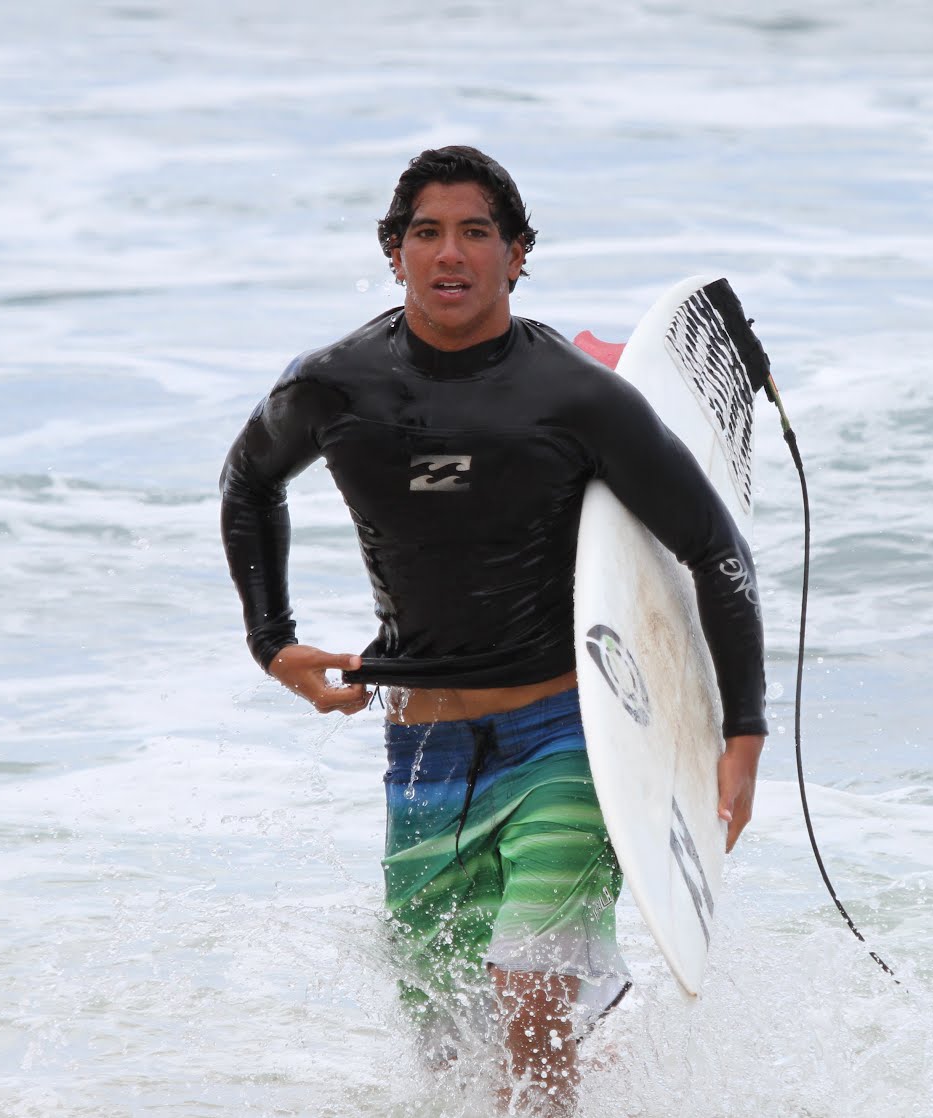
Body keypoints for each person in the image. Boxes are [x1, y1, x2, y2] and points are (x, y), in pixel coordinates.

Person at [219, 145, 767, 1115]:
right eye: (426, 232)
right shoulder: (336, 387)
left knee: (525, 992)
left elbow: (714, 549)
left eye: (477, 231)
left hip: (563, 736)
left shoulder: (576, 397)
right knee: (450, 1049)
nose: (451, 253)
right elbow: (249, 480)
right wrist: (275, 643)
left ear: (518, 255)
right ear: (393, 252)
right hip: (422, 750)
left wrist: (742, 736)